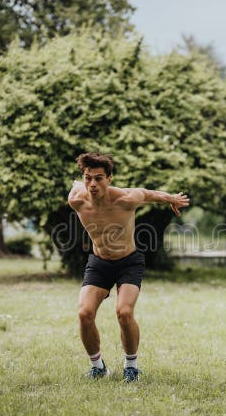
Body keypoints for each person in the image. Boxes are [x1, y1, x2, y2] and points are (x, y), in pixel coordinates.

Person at [67, 152, 190, 382]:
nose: (92, 184)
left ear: (110, 178)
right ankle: (98, 366)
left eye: (99, 178)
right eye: (88, 177)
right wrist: (80, 180)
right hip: (99, 262)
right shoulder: (76, 199)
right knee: (84, 313)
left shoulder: (125, 199)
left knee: (124, 313)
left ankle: (131, 366)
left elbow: (148, 193)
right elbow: (75, 184)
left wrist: (171, 198)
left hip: (128, 262)